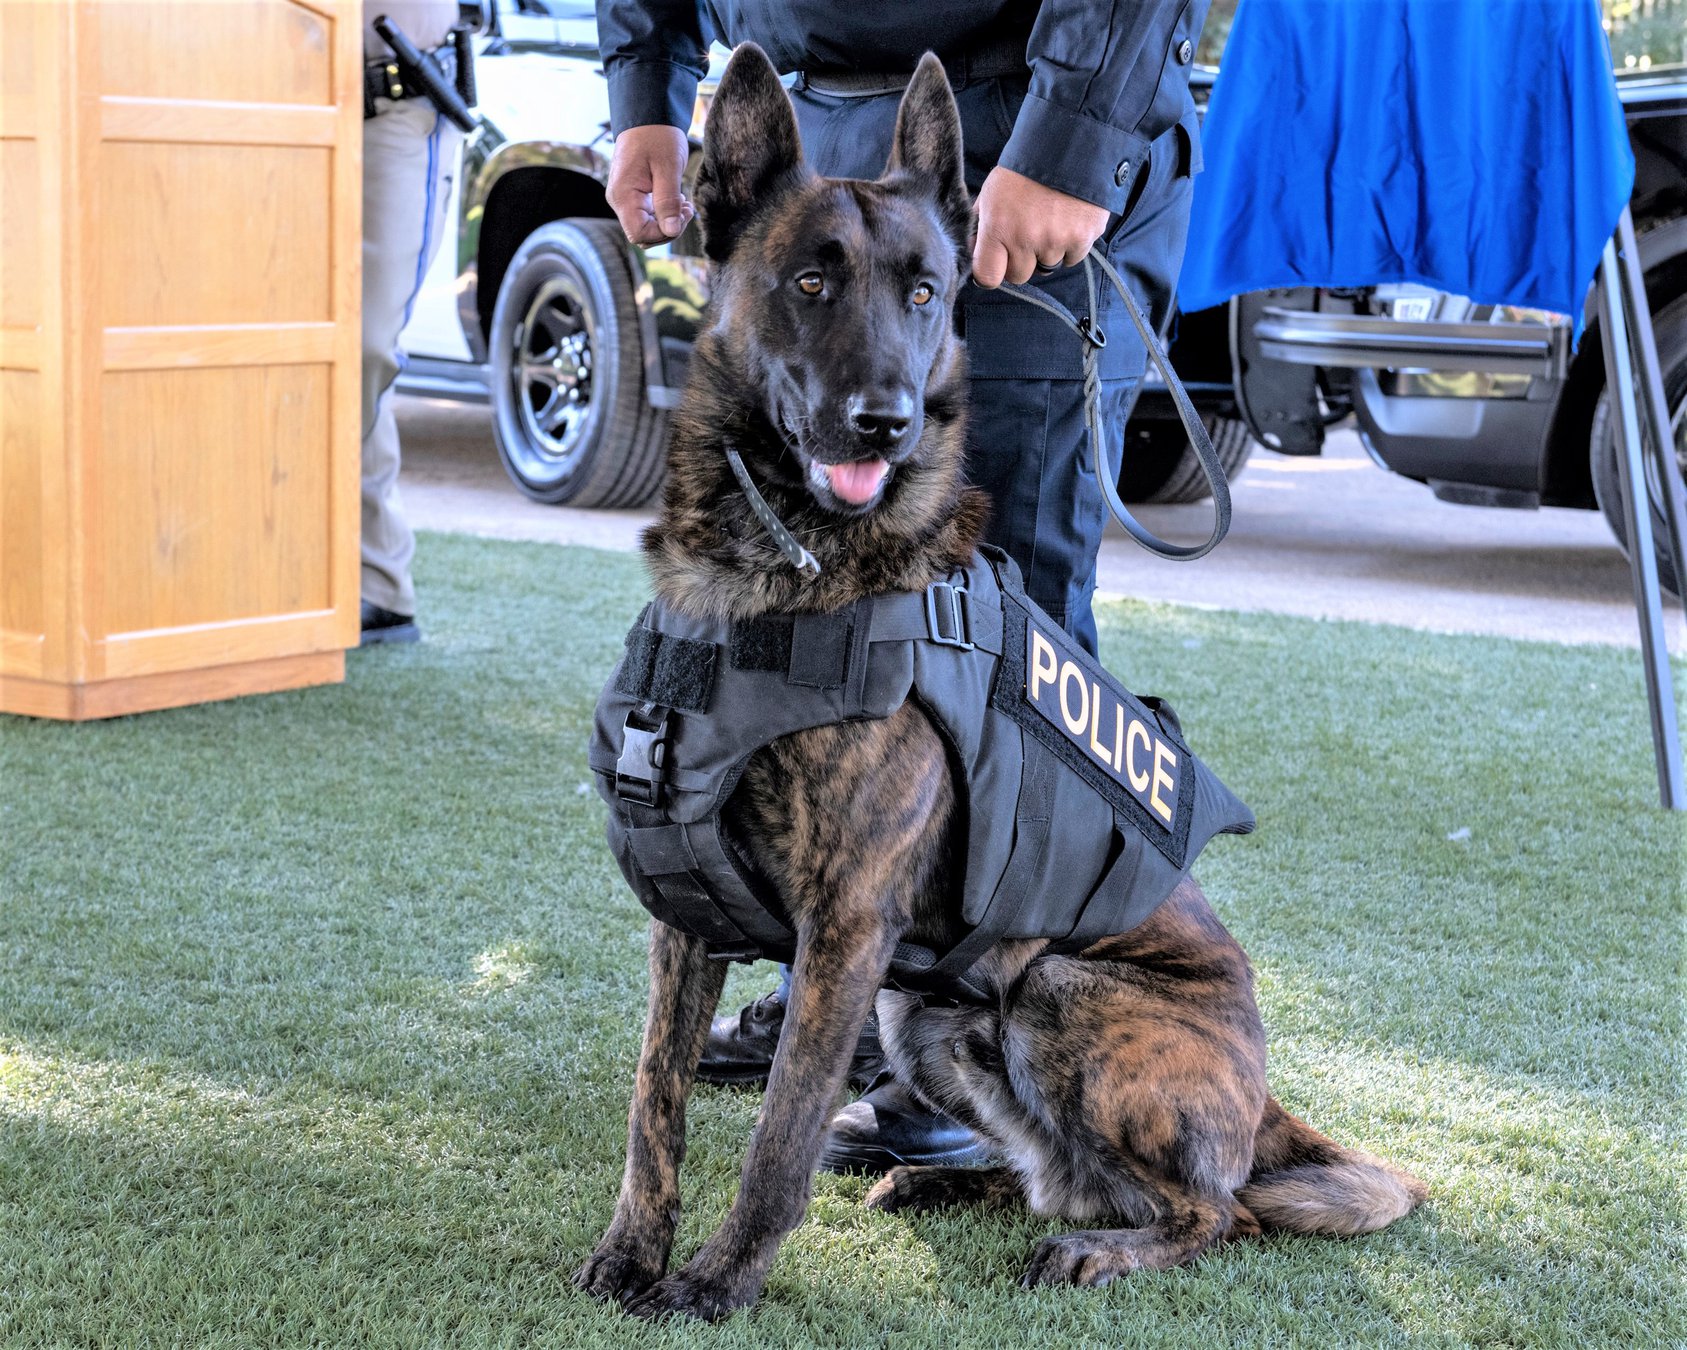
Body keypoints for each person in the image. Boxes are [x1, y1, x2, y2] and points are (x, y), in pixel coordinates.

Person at [596, 0, 1211, 1171]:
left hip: (1016, 129)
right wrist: (642, 93)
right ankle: (829, 983)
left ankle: (964, 1044)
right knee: (784, 628)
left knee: (997, 632)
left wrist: (1071, 133)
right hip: (797, 132)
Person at [359, 1, 467, 645]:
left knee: (362, 345)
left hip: (394, 100)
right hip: (266, 94)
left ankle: (373, 580)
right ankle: (366, 581)